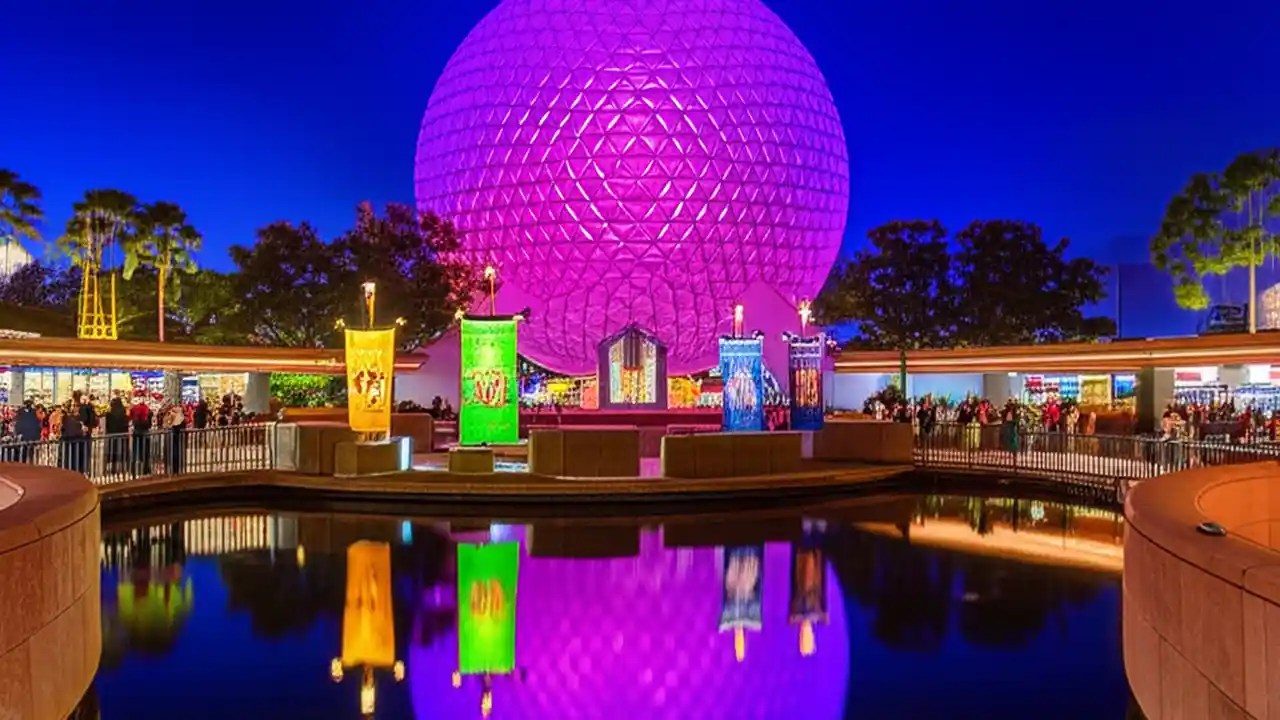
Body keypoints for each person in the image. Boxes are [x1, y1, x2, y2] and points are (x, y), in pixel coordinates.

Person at [104, 398, 129, 474]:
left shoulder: (109, 414)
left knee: (112, 451)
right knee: (123, 451)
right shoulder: (124, 412)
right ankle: (124, 468)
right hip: (123, 435)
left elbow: (108, 425)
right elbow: (126, 423)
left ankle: (113, 469)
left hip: (112, 435)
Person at [130, 401, 153, 476]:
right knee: (145, 453)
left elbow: (133, 420)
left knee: (136, 452)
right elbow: (149, 424)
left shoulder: (134, 410)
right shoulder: (147, 411)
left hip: (136, 433)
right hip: (145, 434)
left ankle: (134, 469)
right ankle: (145, 469)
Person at [164, 403, 187, 475]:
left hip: (174, 439)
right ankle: (177, 469)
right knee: (177, 454)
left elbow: (167, 424)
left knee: (175, 454)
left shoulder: (176, 418)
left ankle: (175, 470)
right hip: (177, 440)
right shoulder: (180, 418)